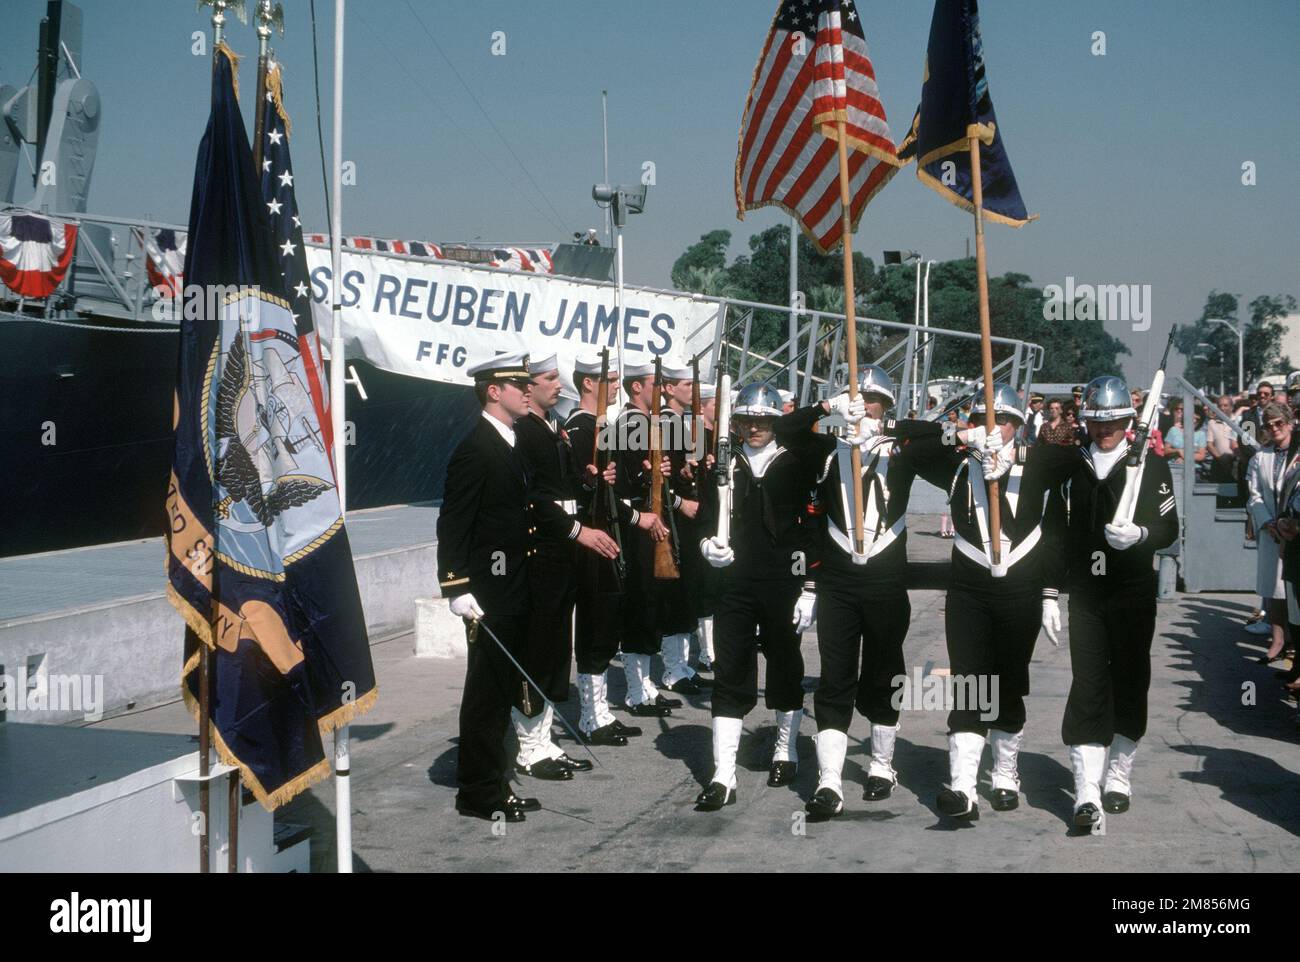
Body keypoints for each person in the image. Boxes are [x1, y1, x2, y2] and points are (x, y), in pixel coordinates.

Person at [884, 384, 1071, 820]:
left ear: (1019, 427)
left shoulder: (1036, 464)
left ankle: (1005, 774)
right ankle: (963, 787)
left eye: (1003, 421)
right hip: (969, 588)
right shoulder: (956, 465)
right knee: (970, 679)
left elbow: (1072, 461)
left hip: (1021, 587)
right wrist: (962, 438)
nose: (994, 428)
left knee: (1007, 680)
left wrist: (1049, 593)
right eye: (984, 420)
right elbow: (914, 447)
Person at [794, 366, 936, 819]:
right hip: (838, 577)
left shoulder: (902, 452)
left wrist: (882, 428)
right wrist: (827, 409)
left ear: (887, 405)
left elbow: (939, 434)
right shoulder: (826, 449)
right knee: (835, 675)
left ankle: (880, 764)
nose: (865, 405)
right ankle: (830, 780)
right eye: (857, 398)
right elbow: (783, 429)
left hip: (885, 575)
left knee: (884, 669)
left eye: (873, 399)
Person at [1043, 375, 1179, 829]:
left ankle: (1118, 775)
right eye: (1098, 423)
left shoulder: (1152, 466)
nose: (1106, 430)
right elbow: (1056, 535)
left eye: (1114, 422)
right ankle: (1086, 791)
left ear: (1128, 420)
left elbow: (1169, 530)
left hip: (1133, 592)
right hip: (1086, 593)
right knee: (1087, 684)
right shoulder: (1072, 467)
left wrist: (1141, 535)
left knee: (1130, 678)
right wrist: (1049, 592)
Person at [694, 383, 819, 810]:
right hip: (735, 584)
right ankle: (722, 775)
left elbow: (811, 530)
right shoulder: (723, 467)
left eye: (763, 421)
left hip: (784, 582)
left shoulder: (798, 462)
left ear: (776, 422)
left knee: (785, 664)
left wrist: (808, 586)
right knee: (730, 670)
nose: (754, 428)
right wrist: (707, 546)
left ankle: (786, 749)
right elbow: (705, 520)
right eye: (747, 420)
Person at [438, 353, 545, 821]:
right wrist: (455, 586)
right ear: (493, 391)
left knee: (502, 691)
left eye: (528, 383)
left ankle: (496, 783)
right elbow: (454, 522)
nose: (527, 390)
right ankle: (478, 793)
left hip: (513, 588)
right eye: (517, 384)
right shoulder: (475, 447)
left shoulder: (510, 441)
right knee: (485, 694)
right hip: (487, 594)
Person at [509, 354, 623, 780]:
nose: (557, 385)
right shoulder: (524, 432)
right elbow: (536, 499)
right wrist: (577, 531)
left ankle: (544, 740)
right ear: (527, 387)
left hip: (561, 552)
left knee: (557, 651)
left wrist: (590, 479)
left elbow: (563, 485)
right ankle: (529, 747)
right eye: (548, 379)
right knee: (539, 650)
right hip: (543, 548)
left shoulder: (550, 426)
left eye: (557, 378)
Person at [564, 354, 666, 745]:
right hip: (592, 541)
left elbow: (616, 484)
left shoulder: (602, 427)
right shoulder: (581, 428)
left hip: (609, 537)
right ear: (588, 384)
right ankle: (591, 716)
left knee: (607, 626)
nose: (615, 384)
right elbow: (589, 492)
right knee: (595, 629)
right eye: (608, 378)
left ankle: (601, 711)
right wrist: (634, 515)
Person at [611, 362, 687, 717]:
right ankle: (635, 691)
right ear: (636, 388)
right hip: (639, 522)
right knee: (639, 606)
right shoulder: (630, 424)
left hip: (652, 516)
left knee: (650, 605)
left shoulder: (647, 424)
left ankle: (644, 686)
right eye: (656, 383)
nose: (662, 388)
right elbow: (628, 480)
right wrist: (649, 475)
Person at [656, 360, 711, 695]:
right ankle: (672, 668)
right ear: (668, 388)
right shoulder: (663, 422)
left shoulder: (688, 423)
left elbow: (682, 471)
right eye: (686, 385)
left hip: (693, 519)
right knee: (674, 596)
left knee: (688, 593)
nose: (692, 391)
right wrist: (679, 500)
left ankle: (683, 664)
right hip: (675, 517)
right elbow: (657, 480)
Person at [1245, 402, 1300, 665]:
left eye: (1279, 423)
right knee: (1275, 589)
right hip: (1271, 532)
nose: (1274, 429)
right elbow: (1254, 495)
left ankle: (1293, 644)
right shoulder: (1260, 457)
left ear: (1289, 423)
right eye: (1269, 425)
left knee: (1292, 589)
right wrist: (1267, 522)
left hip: (1294, 533)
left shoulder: (1298, 455)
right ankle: (1277, 640)